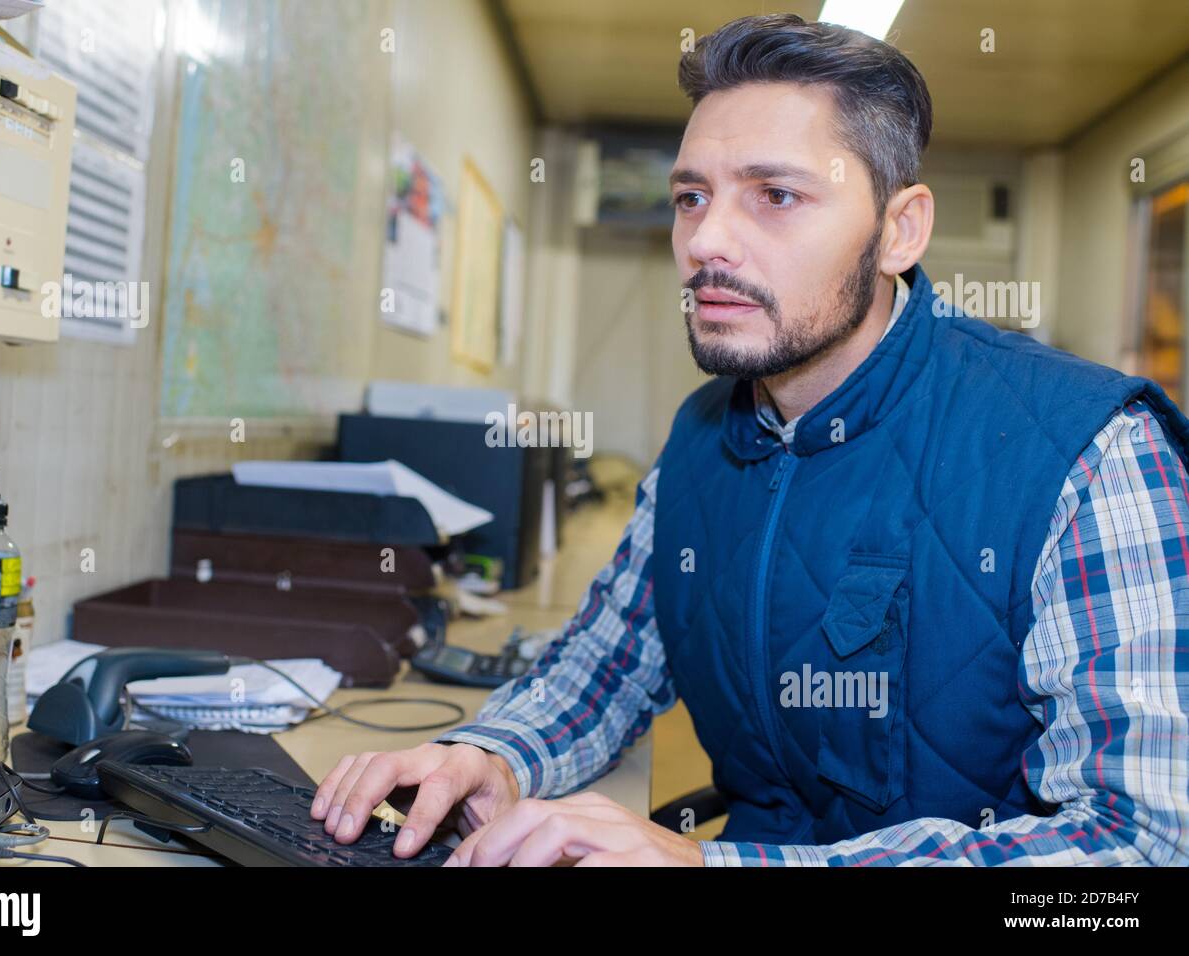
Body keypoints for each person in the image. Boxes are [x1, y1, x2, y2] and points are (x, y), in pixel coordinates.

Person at [312, 13, 1189, 867]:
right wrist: (487, 756)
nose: (707, 241)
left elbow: (1143, 841)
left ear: (900, 231)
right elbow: (604, 666)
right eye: (692, 197)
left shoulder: (1094, 452)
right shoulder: (705, 434)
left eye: (776, 195)